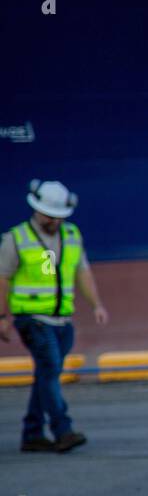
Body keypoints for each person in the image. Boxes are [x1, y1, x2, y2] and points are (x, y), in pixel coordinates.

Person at [0, 180, 108, 453]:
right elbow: (2, 278)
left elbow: (82, 272)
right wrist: (2, 316)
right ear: (36, 209)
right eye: (49, 215)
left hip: (62, 322)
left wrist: (97, 304)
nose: (54, 221)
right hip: (33, 319)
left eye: (58, 216)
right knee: (49, 371)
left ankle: (32, 433)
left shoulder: (71, 234)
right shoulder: (16, 238)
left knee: (45, 375)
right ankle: (63, 430)